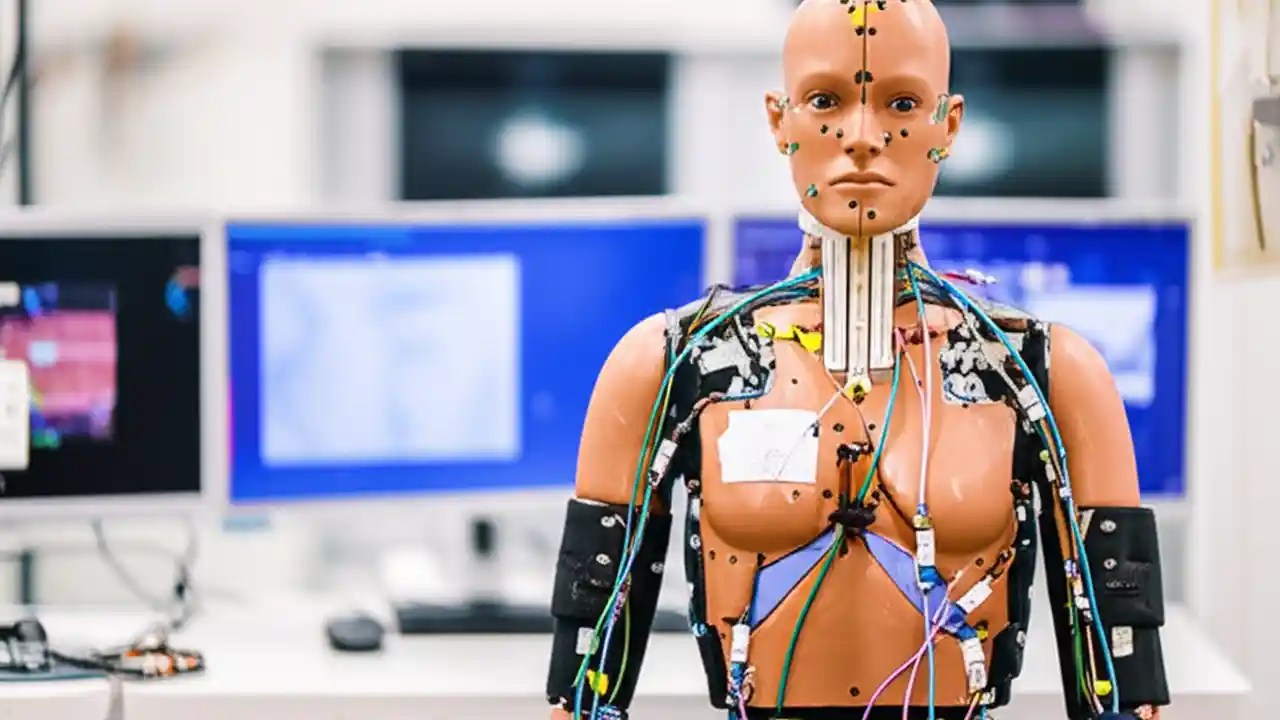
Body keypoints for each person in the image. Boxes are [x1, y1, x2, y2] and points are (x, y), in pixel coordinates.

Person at [545, 1, 1170, 718]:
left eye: (902, 102)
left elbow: (1122, 688)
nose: (863, 137)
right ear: (780, 120)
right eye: (825, 101)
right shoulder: (670, 365)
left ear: (949, 124)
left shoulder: (1045, 374)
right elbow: (585, 685)